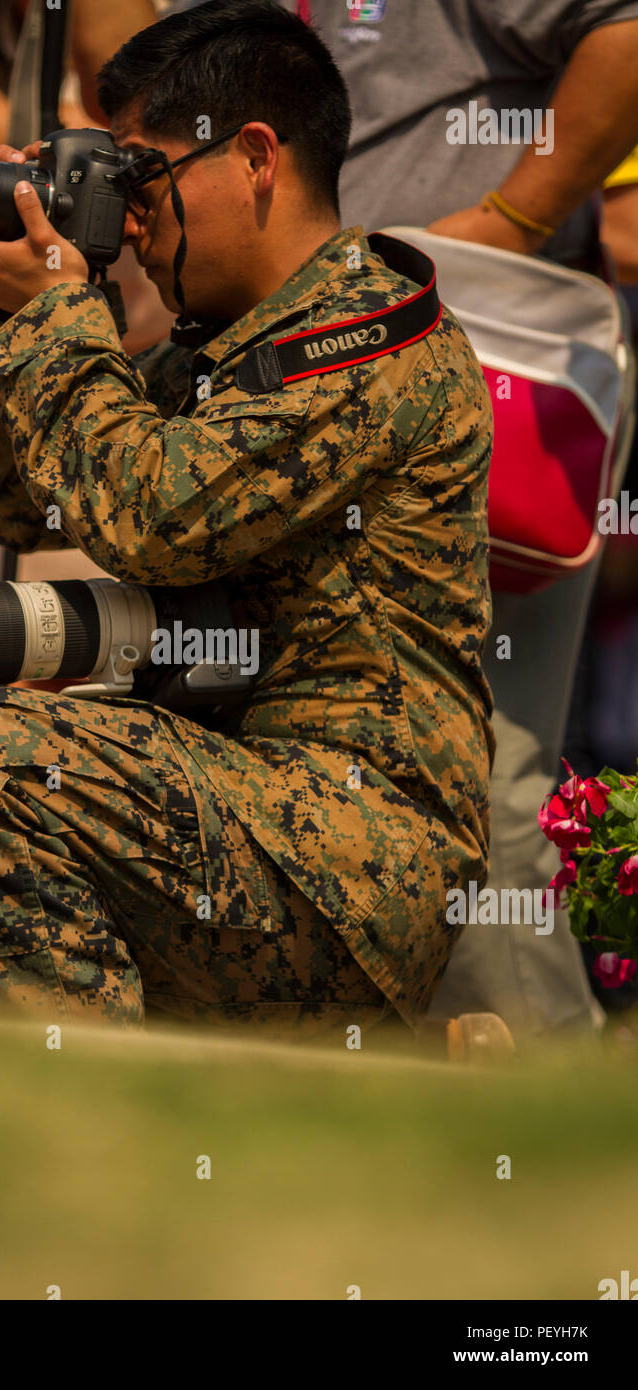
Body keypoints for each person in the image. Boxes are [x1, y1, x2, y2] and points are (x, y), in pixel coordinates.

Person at [0, 0, 495, 1039]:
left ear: (255, 155)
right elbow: (22, 498)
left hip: (349, 851)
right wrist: (0, 311)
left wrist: (58, 315)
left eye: (142, 180)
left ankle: (70, 1111)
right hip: (247, 811)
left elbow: (149, 513)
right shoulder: (227, 349)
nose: (131, 217)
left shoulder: (364, 345)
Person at [252, 0, 638, 1038]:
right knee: (297, 767)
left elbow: (625, 31)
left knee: (476, 782)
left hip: (463, 355)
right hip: (297, 380)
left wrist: (499, 223)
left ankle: (552, 1130)